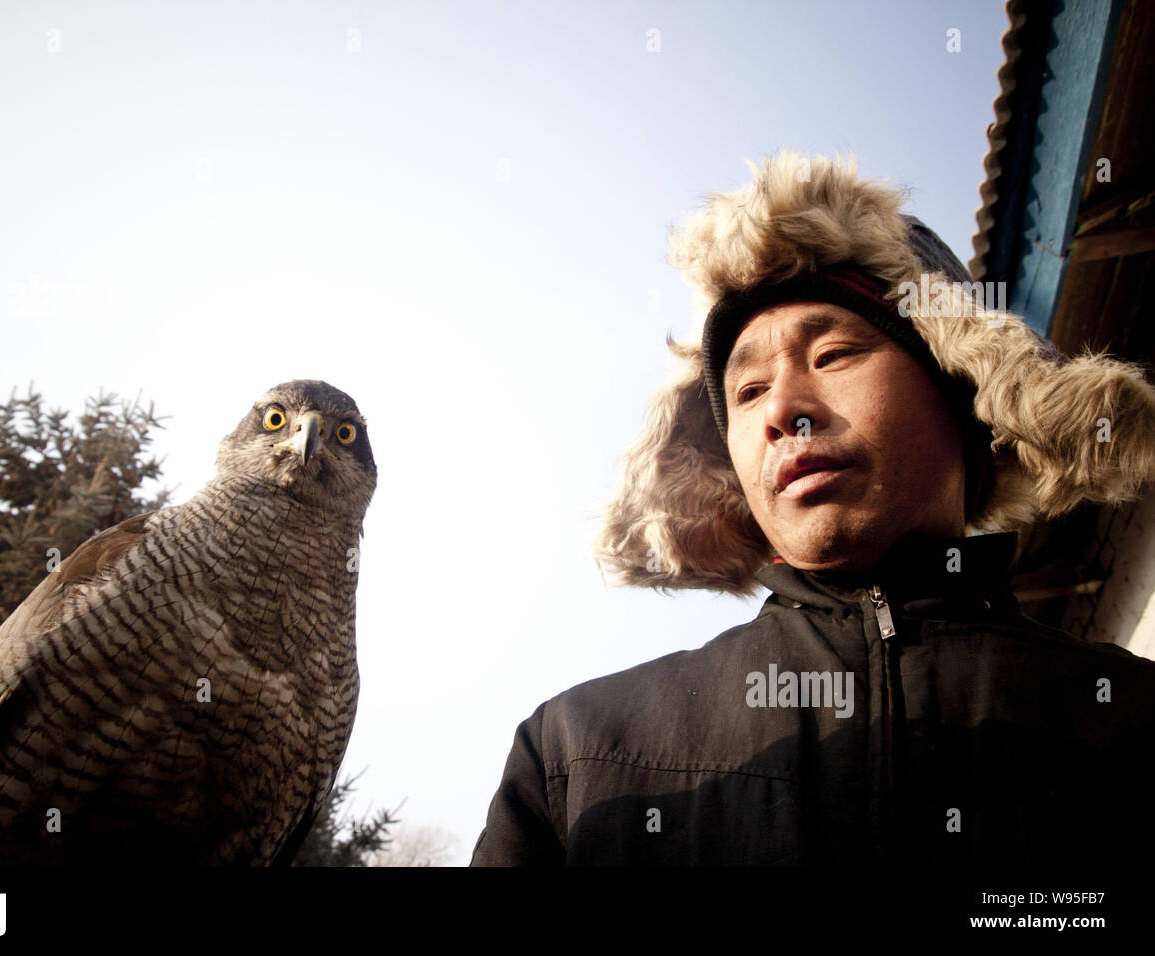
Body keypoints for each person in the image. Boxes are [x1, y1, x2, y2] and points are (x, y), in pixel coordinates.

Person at [470, 151, 1155, 866]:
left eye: (832, 355)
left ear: (962, 389)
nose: (784, 411)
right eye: (747, 391)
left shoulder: (1130, 718)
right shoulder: (577, 758)